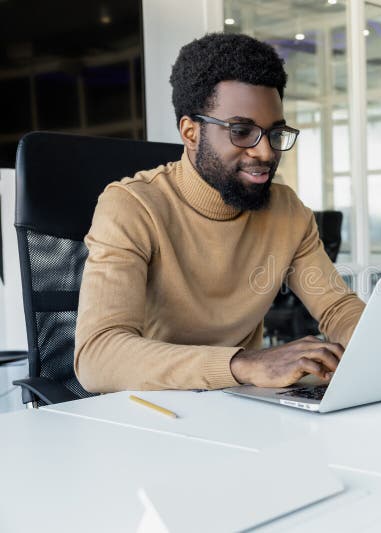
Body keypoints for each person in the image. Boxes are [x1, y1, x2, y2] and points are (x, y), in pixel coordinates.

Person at [74, 33, 365, 393]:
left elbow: (337, 308)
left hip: (244, 406)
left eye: (274, 134)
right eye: (242, 131)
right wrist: (244, 363)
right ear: (191, 132)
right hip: (151, 413)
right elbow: (97, 357)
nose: (265, 153)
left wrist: (380, 344)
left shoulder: (287, 211)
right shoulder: (132, 207)